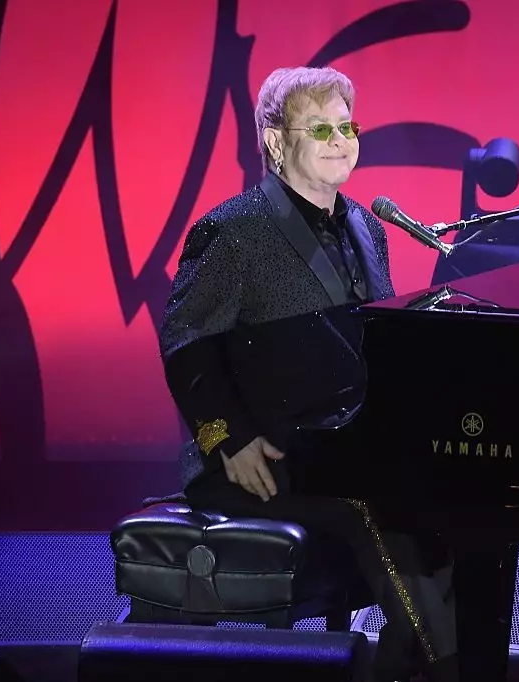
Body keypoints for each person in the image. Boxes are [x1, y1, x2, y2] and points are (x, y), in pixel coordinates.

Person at [157, 65, 458, 682]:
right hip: (262, 455)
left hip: (348, 446)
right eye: (319, 127)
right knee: (384, 509)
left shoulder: (368, 226)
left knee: (448, 504)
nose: (339, 139)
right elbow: (185, 342)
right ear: (274, 142)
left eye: (347, 125)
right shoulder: (232, 230)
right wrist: (228, 438)